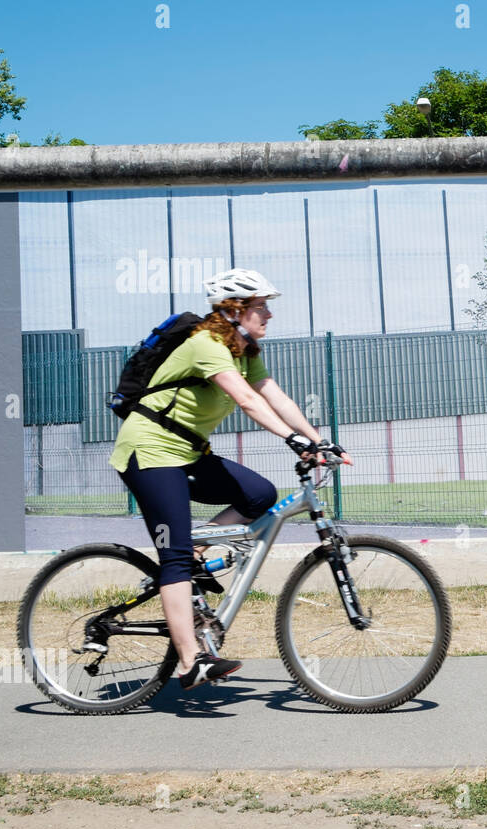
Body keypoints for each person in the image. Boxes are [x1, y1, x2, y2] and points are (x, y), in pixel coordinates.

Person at [109, 268, 348, 691]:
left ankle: (195, 559)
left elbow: (272, 393)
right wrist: (293, 440)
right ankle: (190, 660)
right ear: (234, 310)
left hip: (188, 453)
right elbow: (247, 400)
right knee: (175, 558)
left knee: (260, 495)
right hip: (149, 453)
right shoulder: (206, 345)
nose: (269, 314)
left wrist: (318, 440)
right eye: (261, 306)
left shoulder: (245, 349)